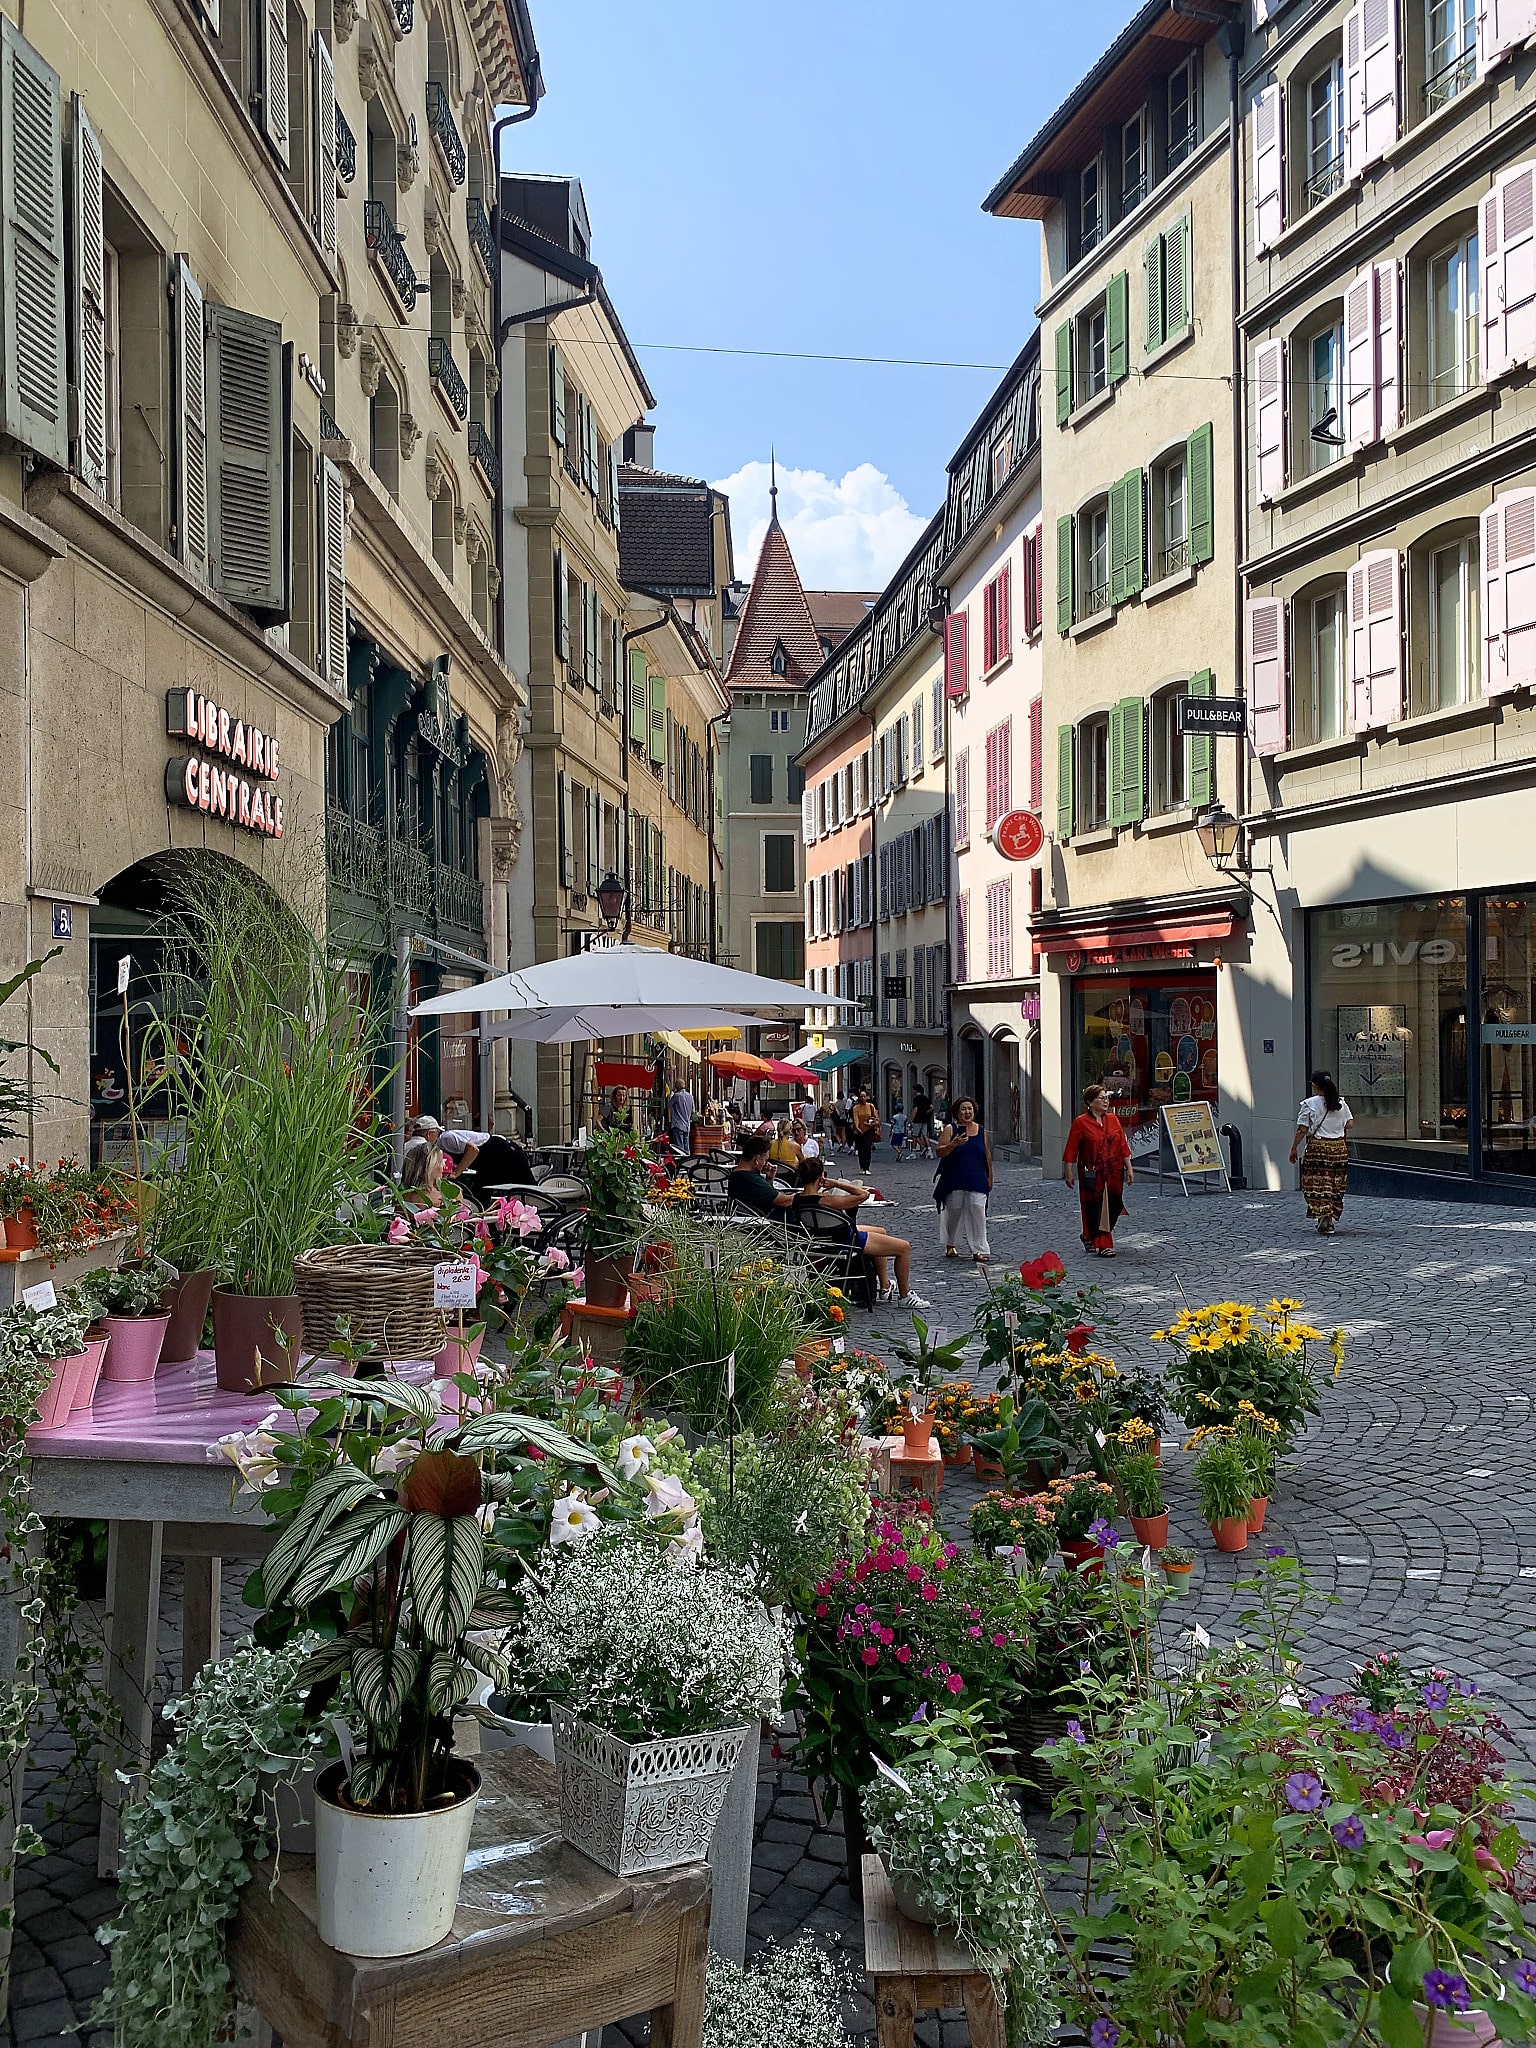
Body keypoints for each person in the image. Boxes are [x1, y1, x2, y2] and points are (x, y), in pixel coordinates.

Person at [792, 1156, 929, 1307]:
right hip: (845, 1240)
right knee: (904, 1248)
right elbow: (863, 1195)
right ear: (821, 1178)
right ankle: (905, 1296)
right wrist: (837, 1183)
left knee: (881, 1231)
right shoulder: (827, 1200)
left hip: (821, 1238)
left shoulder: (797, 1199)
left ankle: (885, 1286)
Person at [1063, 1084, 1134, 1256]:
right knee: (1096, 1207)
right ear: (1090, 1102)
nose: (1105, 1101)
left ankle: (1088, 1235)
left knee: (1114, 1205)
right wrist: (1069, 1171)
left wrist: (1129, 1168)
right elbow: (1071, 1148)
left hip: (1114, 1172)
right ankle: (1104, 1244)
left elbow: (1123, 1146)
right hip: (1092, 1173)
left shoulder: (1113, 1119)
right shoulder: (1080, 1122)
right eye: (1101, 1098)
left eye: (1106, 1097)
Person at [1290, 1069, 1354, 1235]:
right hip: (1339, 1149)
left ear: (1314, 1085)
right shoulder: (1340, 1103)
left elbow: (1302, 1130)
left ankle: (1323, 1215)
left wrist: (1294, 1148)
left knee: (1316, 1183)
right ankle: (1329, 1218)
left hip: (1318, 1149)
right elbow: (1350, 1124)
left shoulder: (1309, 1104)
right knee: (1334, 1184)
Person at [933, 1097, 993, 1262]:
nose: (967, 1112)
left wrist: (990, 1177)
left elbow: (986, 1155)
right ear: (957, 1113)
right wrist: (953, 1144)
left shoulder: (981, 1130)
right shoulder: (950, 1129)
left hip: (977, 1176)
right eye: (963, 1109)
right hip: (955, 1177)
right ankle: (950, 1243)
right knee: (953, 1212)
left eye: (970, 1109)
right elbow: (939, 1151)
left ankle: (979, 1249)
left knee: (977, 1209)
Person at [726, 1132, 797, 1218]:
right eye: (765, 1159)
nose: (765, 1163)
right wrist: (805, 1196)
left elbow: (764, 1196)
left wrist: (769, 1179)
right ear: (757, 1159)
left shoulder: (737, 1175)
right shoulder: (750, 1180)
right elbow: (784, 1202)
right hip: (778, 1225)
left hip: (758, 1220)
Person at [400, 1138, 448, 1208]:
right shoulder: (441, 1198)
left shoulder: (402, 1198)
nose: (444, 1166)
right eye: (441, 1161)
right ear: (431, 1166)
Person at [850, 1089, 881, 1173]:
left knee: (867, 1148)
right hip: (859, 1131)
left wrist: (873, 1123)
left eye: (864, 1096)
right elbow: (856, 1119)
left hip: (869, 1130)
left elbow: (876, 1118)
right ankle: (862, 1167)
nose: (863, 1098)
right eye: (861, 1096)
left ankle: (867, 1168)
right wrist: (858, 1128)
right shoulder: (856, 1108)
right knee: (861, 1149)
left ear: (867, 1097)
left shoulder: (870, 1106)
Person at [667, 1078, 696, 1156]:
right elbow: (693, 1111)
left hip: (677, 1124)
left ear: (677, 1087)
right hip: (687, 1125)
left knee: (679, 1148)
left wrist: (670, 1120)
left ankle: (681, 1163)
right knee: (686, 1147)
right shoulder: (690, 1096)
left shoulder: (676, 1096)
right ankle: (687, 1162)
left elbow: (669, 1106)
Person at [909, 1089, 933, 1159]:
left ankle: (913, 1153)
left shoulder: (916, 1098)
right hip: (925, 1119)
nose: (913, 1091)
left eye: (914, 1090)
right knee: (925, 1135)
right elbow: (931, 1107)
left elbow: (915, 1109)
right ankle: (929, 1151)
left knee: (915, 1136)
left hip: (917, 1119)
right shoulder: (925, 1098)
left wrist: (912, 1120)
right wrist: (926, 1113)